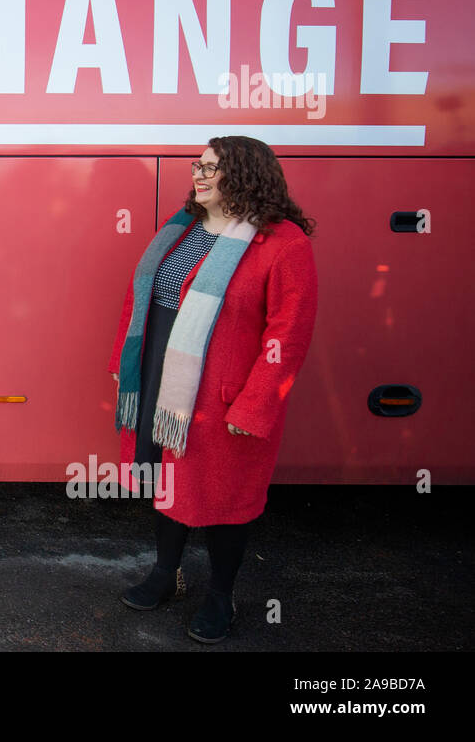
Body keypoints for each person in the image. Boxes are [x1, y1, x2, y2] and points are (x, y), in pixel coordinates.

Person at [108, 136, 317, 643]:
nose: (197, 175)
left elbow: (287, 335)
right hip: (164, 382)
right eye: (197, 166)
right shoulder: (181, 230)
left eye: (210, 168)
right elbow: (143, 299)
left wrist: (256, 404)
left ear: (244, 174)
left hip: (223, 397)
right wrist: (125, 362)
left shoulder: (284, 243)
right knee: (169, 481)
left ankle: (221, 595)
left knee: (227, 498)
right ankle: (165, 574)